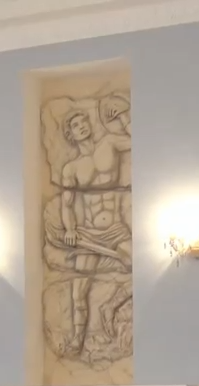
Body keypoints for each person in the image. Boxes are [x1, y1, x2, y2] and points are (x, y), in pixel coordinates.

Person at [54, 95, 133, 355]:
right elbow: (67, 204)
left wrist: (123, 116)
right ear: (70, 136)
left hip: (115, 229)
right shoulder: (71, 168)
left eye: (83, 122)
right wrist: (70, 230)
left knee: (140, 266)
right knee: (79, 289)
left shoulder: (109, 143)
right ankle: (78, 339)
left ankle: (111, 306)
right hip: (89, 234)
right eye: (75, 126)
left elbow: (139, 142)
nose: (82, 127)